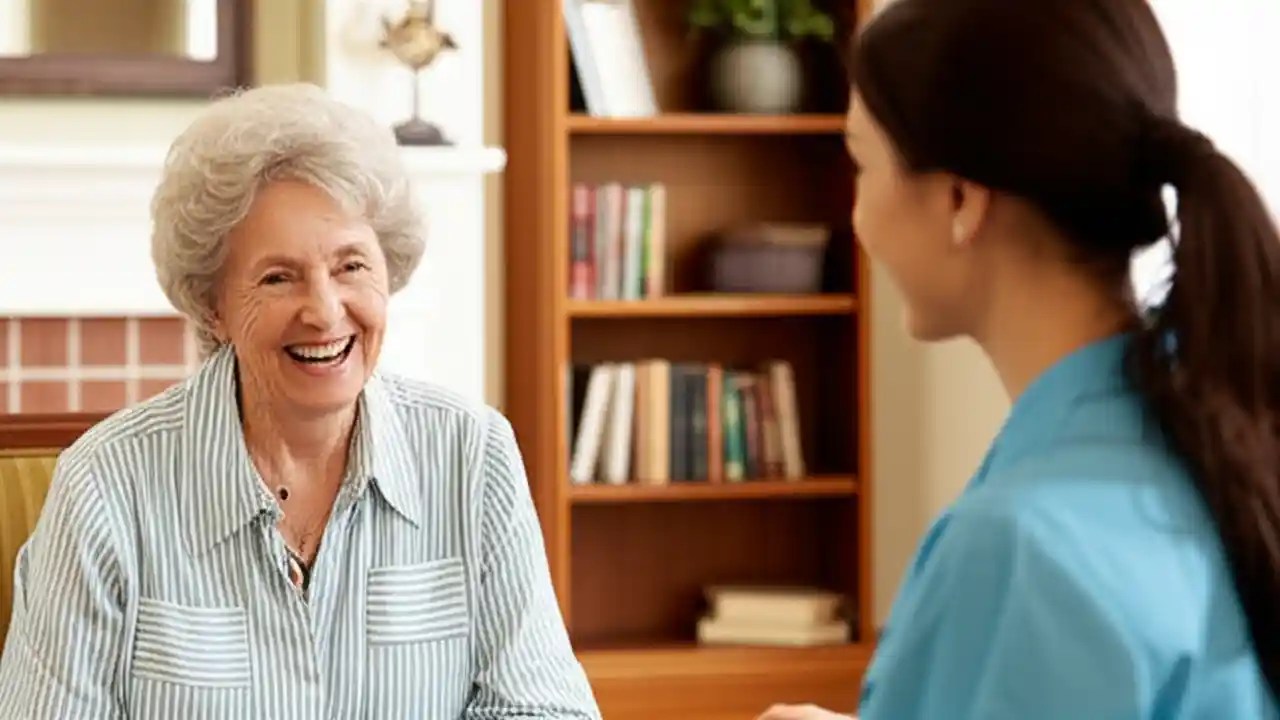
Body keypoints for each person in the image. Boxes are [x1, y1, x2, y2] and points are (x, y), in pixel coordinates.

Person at [0, 83, 602, 719]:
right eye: (277, 277)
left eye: (351, 267)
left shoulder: (472, 455)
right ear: (214, 306)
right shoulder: (107, 485)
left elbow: (545, 709)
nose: (324, 311)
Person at [760, 0, 1280, 718]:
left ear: (960, 200)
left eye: (860, 166)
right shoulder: (1223, 442)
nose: (856, 218)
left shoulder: (1019, 552)